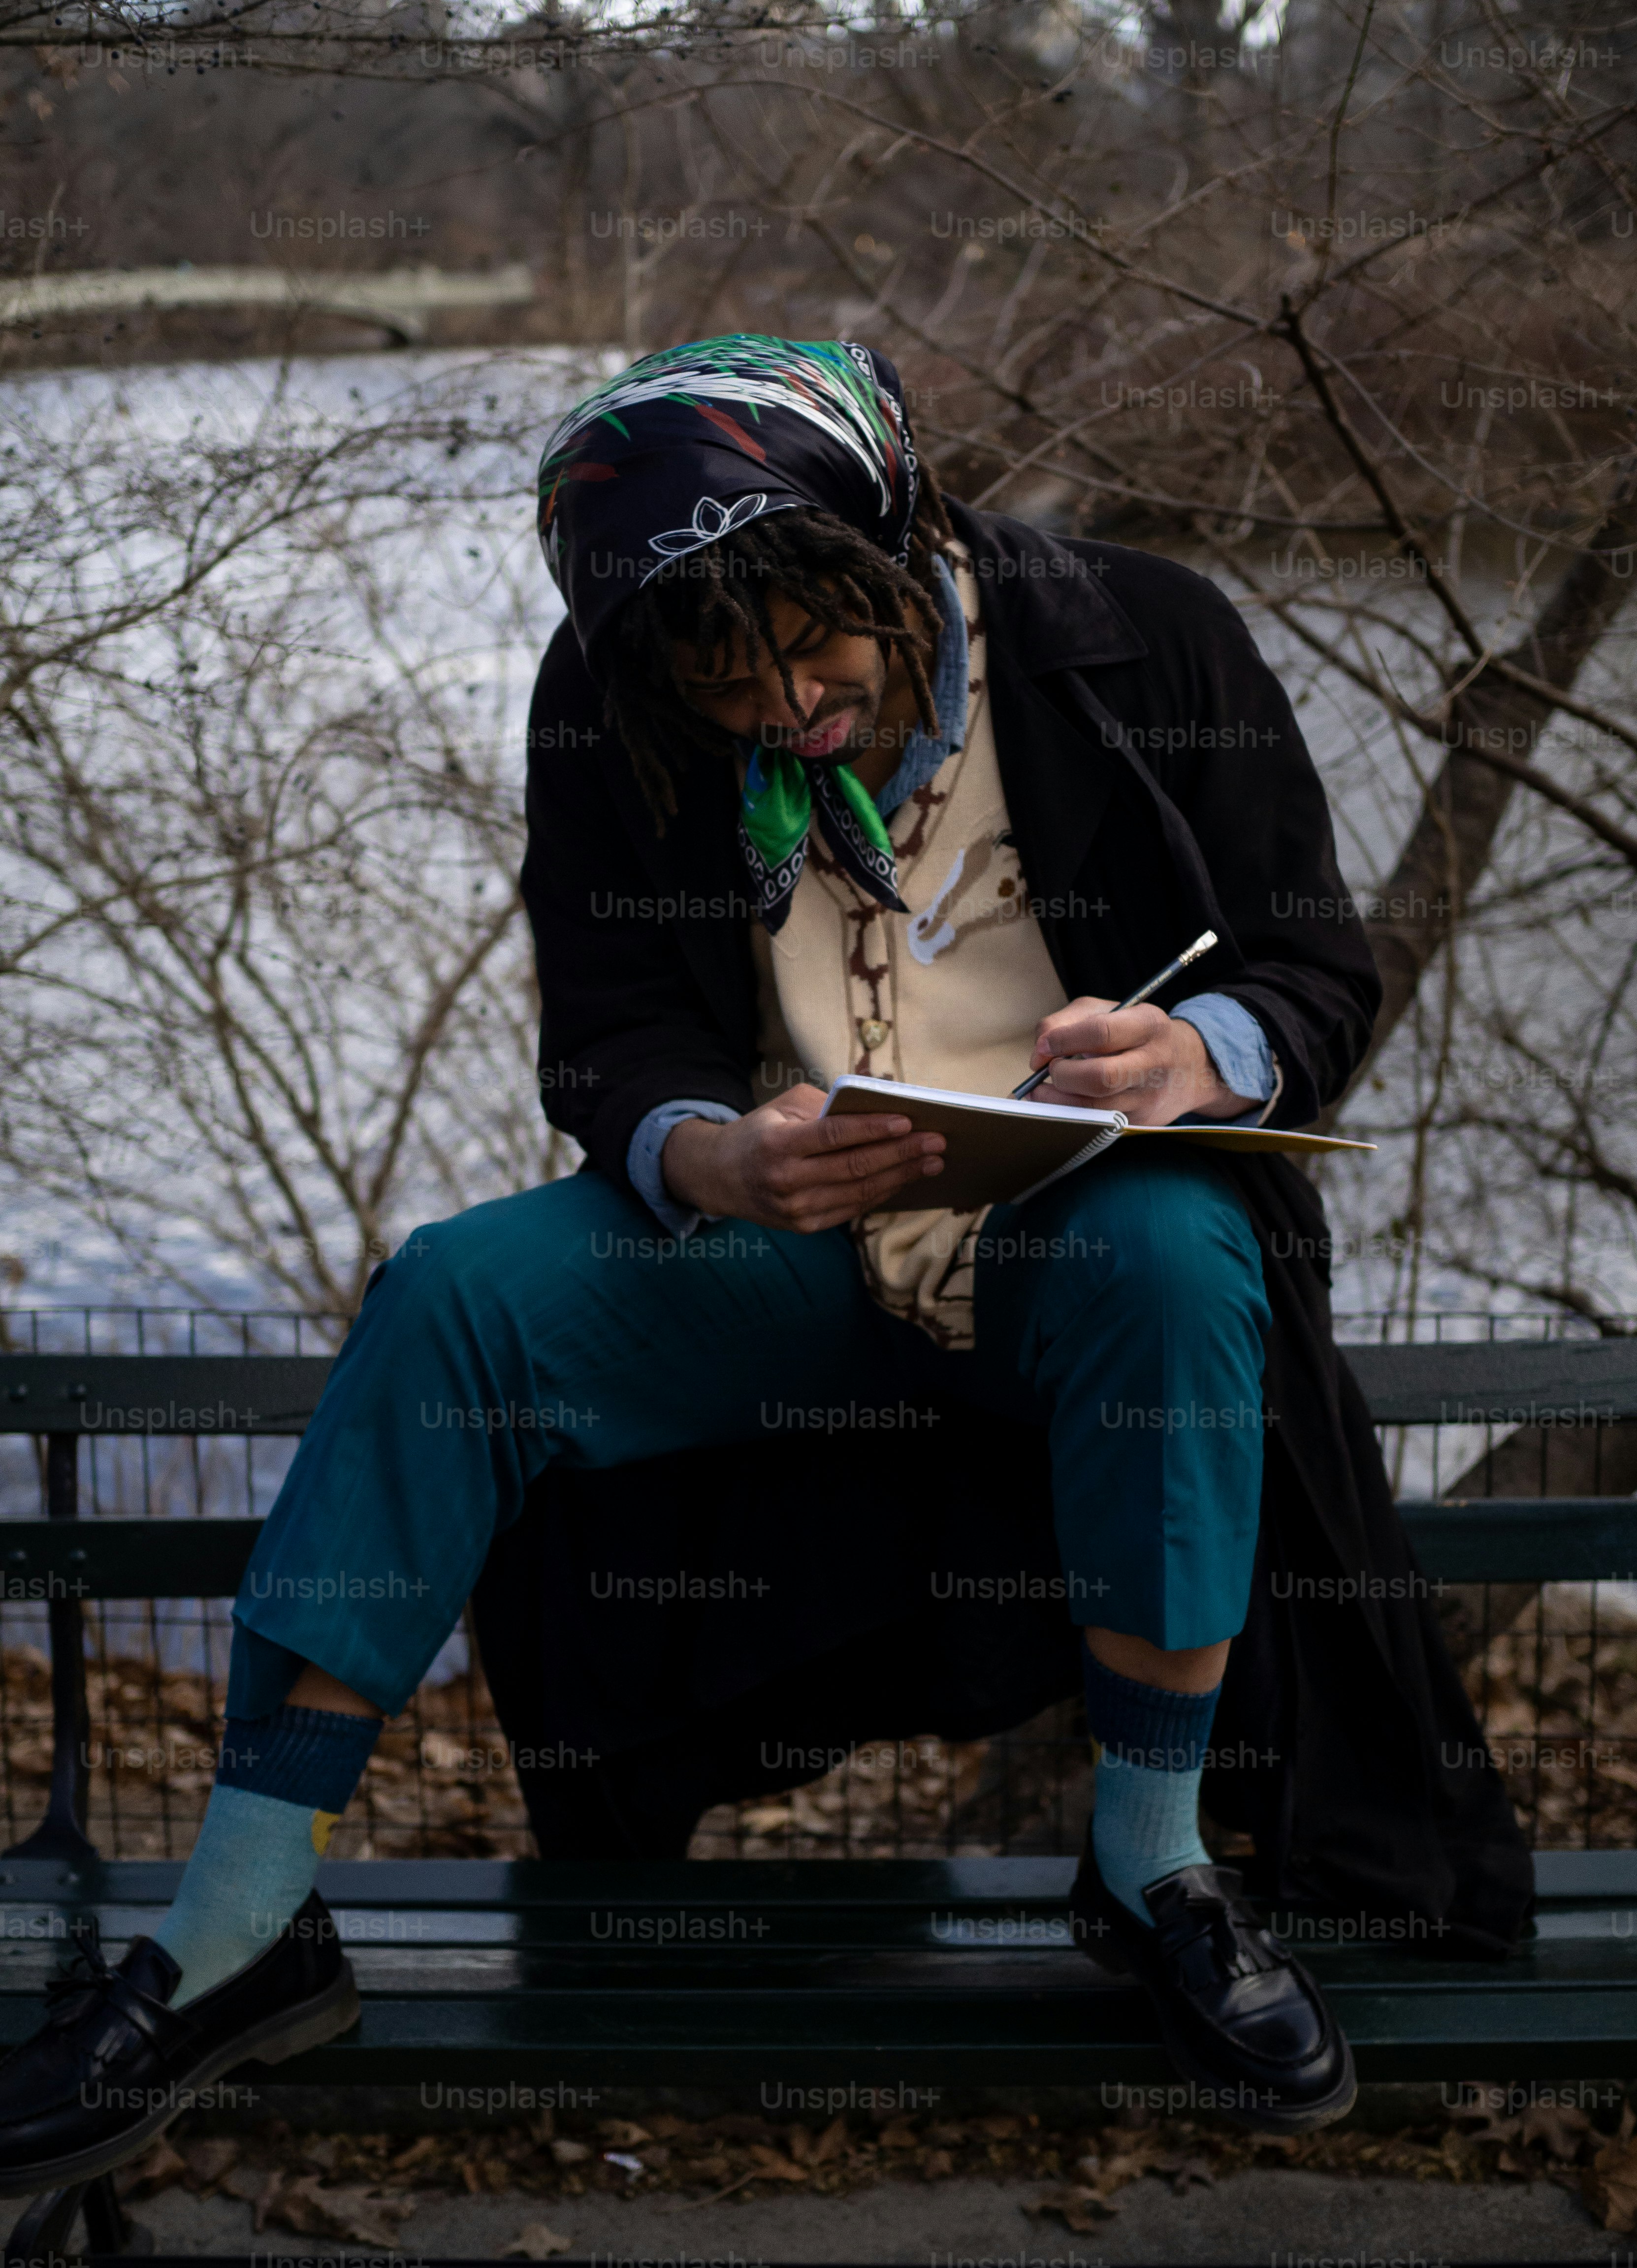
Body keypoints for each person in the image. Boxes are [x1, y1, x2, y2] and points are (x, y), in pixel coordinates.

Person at [0, 335, 1526, 2191]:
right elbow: (609, 1040)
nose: (781, 708)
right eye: (722, 682)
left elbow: (1315, 969)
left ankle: (1155, 1872)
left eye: (820, 651)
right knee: (455, 1293)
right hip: (792, 1244)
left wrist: (1212, 1057)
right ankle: (242, 1927)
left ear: (900, 547)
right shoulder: (609, 697)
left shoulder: (1149, 634)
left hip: (1074, 1240)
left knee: (1178, 1240)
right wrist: (705, 1152)